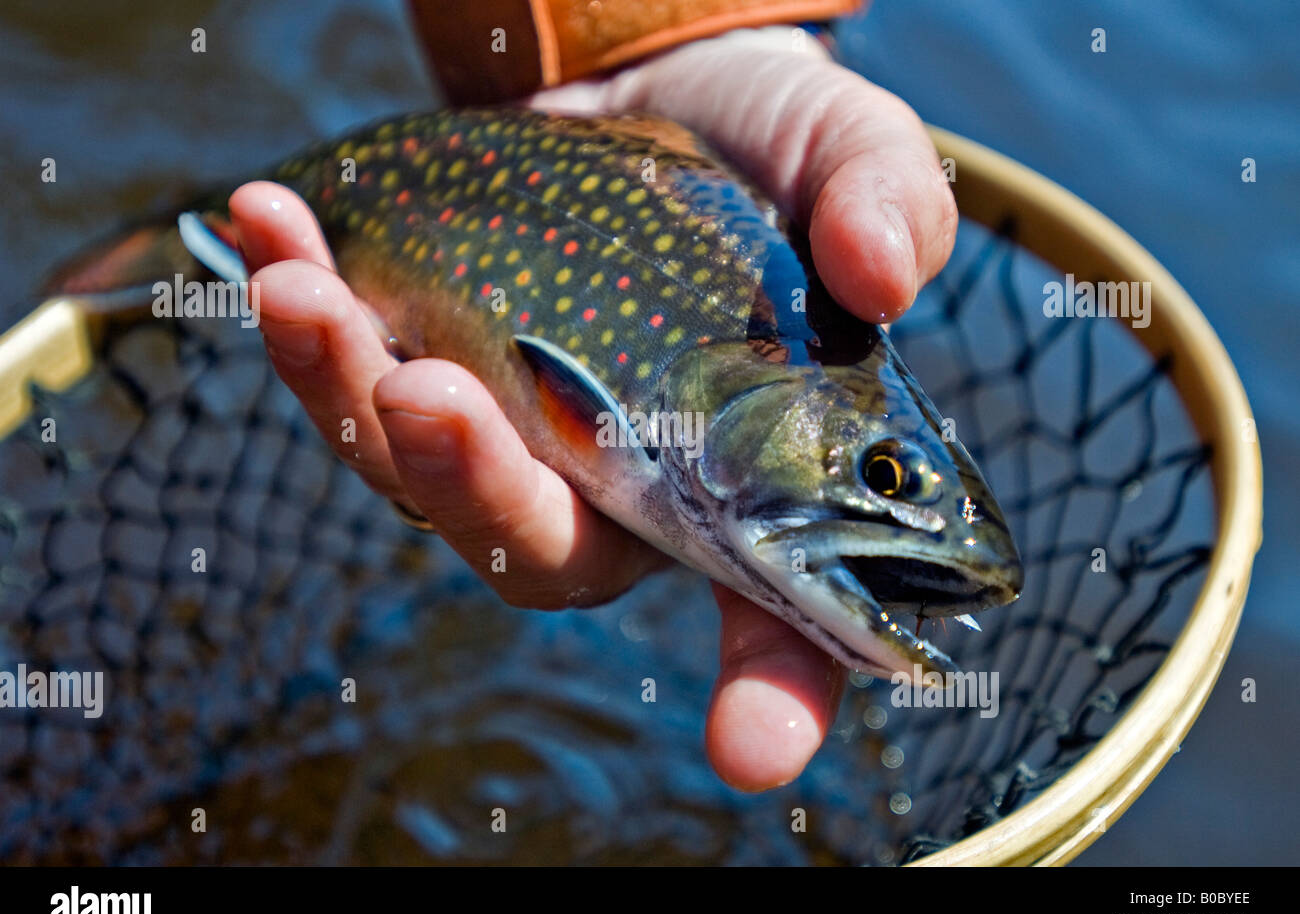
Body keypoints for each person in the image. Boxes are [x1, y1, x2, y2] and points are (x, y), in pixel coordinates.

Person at [227, 5, 957, 793]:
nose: (887, 498)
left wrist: (696, 29)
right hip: (402, 184)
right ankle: (199, 245)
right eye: (882, 475)